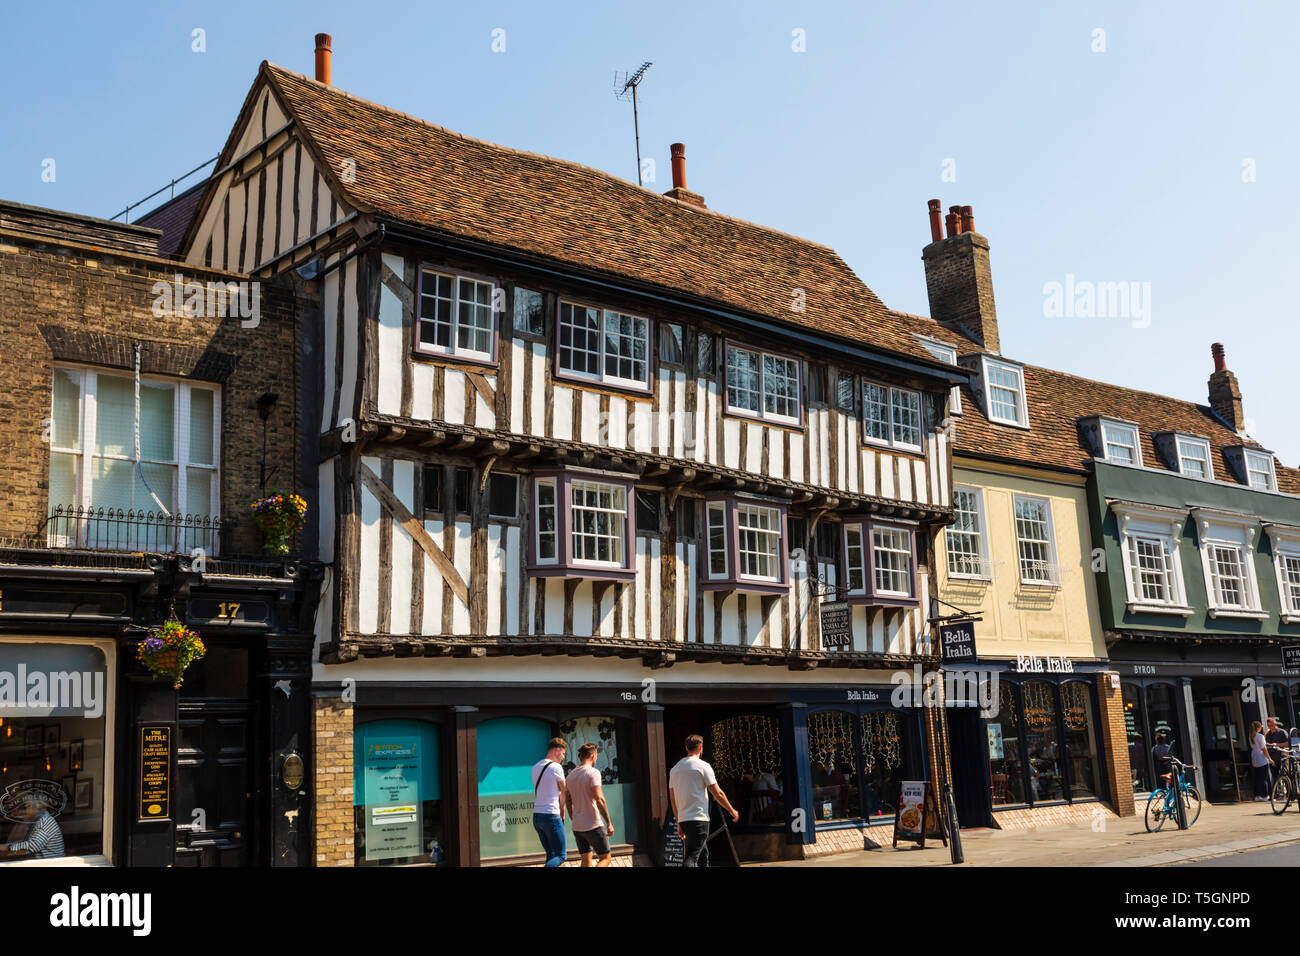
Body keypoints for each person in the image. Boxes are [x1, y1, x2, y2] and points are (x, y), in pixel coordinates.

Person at [668, 734, 738, 868]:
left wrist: (678, 822)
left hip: (684, 819)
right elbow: (718, 793)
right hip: (699, 818)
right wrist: (731, 810)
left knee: (702, 855)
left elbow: (672, 797)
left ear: (686, 748)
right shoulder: (703, 766)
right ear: (701, 748)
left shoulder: (675, 769)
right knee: (691, 858)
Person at [565, 742, 614, 867]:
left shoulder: (570, 777)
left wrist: (574, 818)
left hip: (577, 826)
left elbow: (568, 801)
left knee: (586, 861)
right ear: (593, 756)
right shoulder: (593, 773)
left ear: (581, 756)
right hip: (593, 825)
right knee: (605, 858)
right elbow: (599, 799)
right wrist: (608, 822)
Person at [531, 737, 568, 866]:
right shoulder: (556, 767)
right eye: (563, 753)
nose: (563, 757)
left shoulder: (535, 767)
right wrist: (562, 810)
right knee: (561, 855)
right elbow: (565, 791)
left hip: (537, 817)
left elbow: (544, 790)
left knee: (551, 853)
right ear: (557, 750)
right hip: (551, 815)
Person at [1, 793, 64, 860]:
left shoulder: (44, 821)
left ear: (34, 807)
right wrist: (7, 846)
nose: (25, 810)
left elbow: (34, 846)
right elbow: (28, 841)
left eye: (26, 807)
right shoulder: (41, 819)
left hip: (50, 864)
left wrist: (8, 847)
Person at [1249, 721, 1273, 801]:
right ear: (1258, 728)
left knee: (1257, 778)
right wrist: (1269, 759)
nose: (1261, 728)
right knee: (1264, 778)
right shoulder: (1260, 736)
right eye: (1261, 727)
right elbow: (1264, 749)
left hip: (1254, 758)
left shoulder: (1251, 736)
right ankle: (1265, 795)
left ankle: (1257, 796)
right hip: (1261, 758)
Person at [1264, 717, 1289, 787]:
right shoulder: (1267, 734)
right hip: (1272, 758)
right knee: (1274, 776)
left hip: (1281, 757)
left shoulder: (1282, 732)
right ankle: (1277, 794)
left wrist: (1277, 744)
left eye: (1271, 725)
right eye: (1268, 726)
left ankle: (1288, 794)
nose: (1270, 727)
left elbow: (1288, 743)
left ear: (1275, 724)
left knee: (1284, 775)